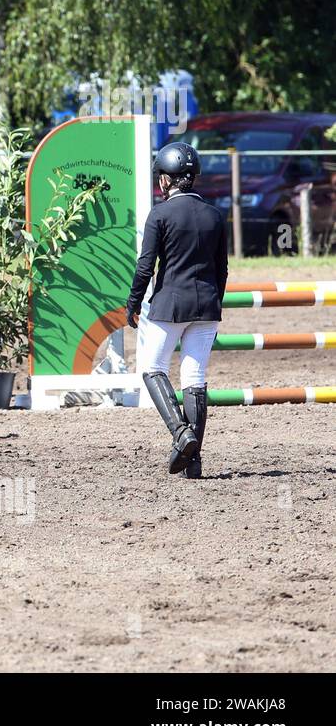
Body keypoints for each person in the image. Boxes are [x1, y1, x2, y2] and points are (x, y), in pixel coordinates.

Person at [127, 141, 228, 479]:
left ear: (167, 181)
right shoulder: (215, 215)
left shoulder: (160, 214)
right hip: (207, 305)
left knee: (152, 367)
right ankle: (193, 461)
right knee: (194, 380)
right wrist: (215, 302)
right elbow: (222, 268)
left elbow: (145, 267)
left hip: (170, 305)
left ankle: (181, 434)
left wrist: (133, 303)